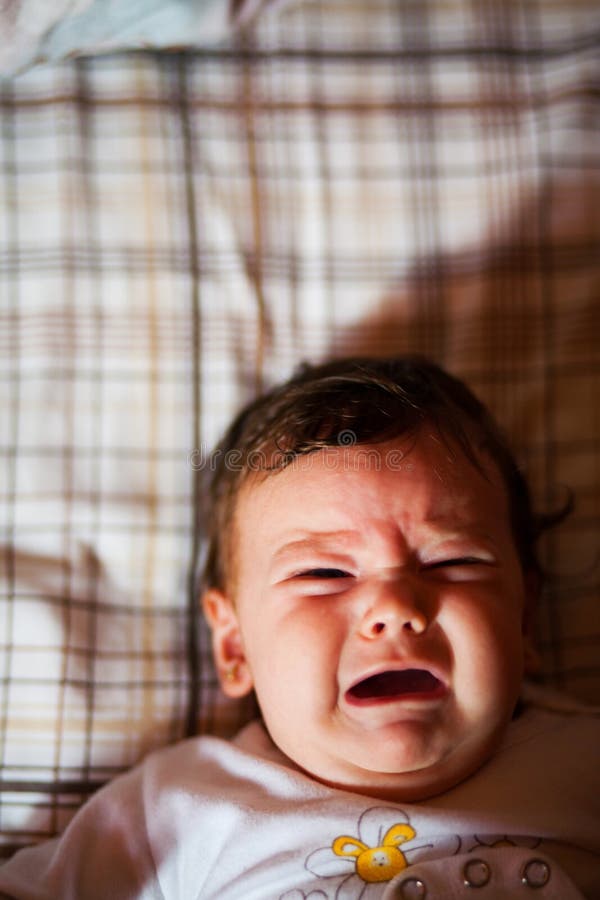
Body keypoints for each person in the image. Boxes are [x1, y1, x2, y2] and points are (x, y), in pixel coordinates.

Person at [0, 356, 598, 899]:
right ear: (235, 646)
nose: (393, 605)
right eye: (323, 572)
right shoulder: (181, 806)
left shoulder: (581, 764)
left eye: (453, 562)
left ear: (524, 620)